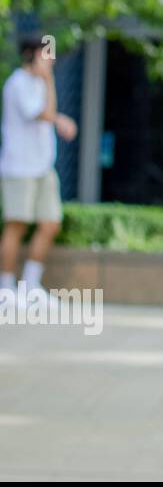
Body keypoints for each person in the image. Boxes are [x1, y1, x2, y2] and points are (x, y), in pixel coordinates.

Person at [1, 36, 78, 305]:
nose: (52, 60)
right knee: (17, 224)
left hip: (43, 167)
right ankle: (6, 288)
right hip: (19, 167)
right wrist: (48, 81)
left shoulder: (36, 84)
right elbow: (45, 113)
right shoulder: (18, 84)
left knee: (50, 223)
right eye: (48, 54)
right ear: (33, 55)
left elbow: (49, 114)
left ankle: (31, 285)